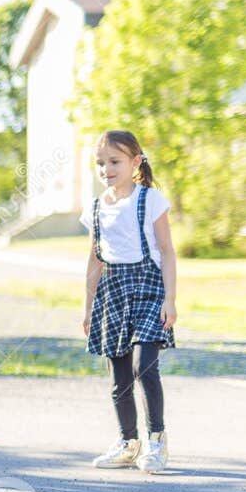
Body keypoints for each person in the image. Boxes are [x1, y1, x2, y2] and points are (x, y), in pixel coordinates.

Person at [82, 129, 177, 473]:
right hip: (112, 292)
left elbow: (166, 251)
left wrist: (171, 299)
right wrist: (88, 307)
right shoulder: (95, 207)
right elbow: (94, 261)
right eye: (100, 163)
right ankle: (128, 442)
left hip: (149, 290)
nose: (106, 169)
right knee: (119, 375)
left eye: (114, 161)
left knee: (144, 366)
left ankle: (157, 441)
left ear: (135, 162)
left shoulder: (150, 199)